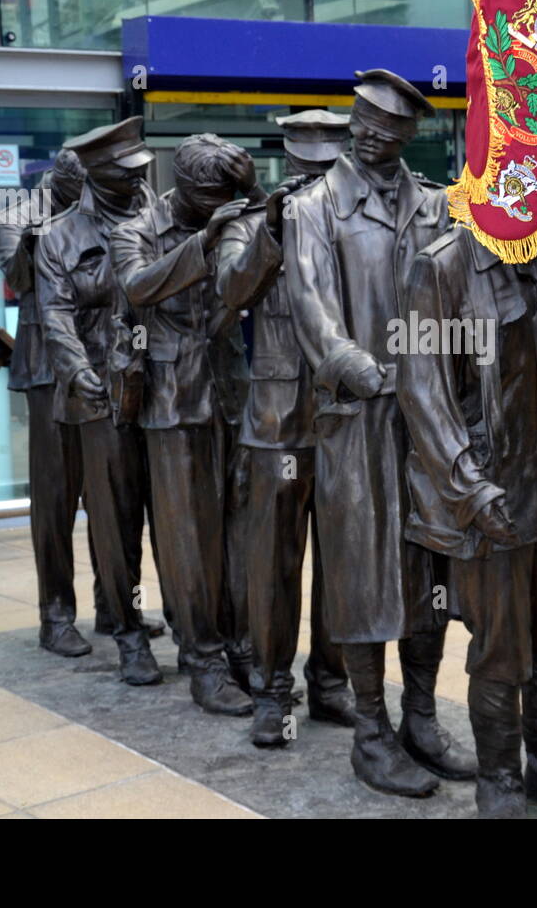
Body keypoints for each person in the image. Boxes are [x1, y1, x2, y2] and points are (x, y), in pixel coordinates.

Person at [284, 69, 476, 797]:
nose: (374, 134)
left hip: (429, 424)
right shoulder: (313, 208)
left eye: (391, 126)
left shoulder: (436, 205)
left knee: (430, 572)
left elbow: (459, 297)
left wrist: (453, 379)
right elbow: (311, 306)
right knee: (365, 576)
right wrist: (357, 368)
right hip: (356, 422)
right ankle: (370, 731)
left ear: (407, 135)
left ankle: (420, 718)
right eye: (365, 121)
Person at [397, 225, 537, 817]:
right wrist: (468, 488)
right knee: (500, 650)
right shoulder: (441, 266)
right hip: (491, 492)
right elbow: (423, 390)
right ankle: (499, 777)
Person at [214, 111, 357, 747]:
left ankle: (331, 683)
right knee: (271, 567)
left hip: (347, 418)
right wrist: (271, 232)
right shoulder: (249, 223)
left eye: (326, 169)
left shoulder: (359, 224)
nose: (315, 180)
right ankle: (273, 691)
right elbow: (228, 290)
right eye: (306, 169)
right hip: (275, 422)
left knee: (343, 563)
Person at [109, 134, 263, 715]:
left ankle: (244, 650)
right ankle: (202, 661)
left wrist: (254, 193)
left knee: (242, 535)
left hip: (231, 392)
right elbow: (137, 286)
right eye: (213, 196)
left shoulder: (234, 211)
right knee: (188, 541)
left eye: (227, 195)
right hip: (172, 402)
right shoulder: (139, 230)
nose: (220, 203)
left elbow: (284, 242)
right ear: (190, 191)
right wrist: (207, 239)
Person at [35, 117, 166, 689]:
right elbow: (55, 316)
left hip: (165, 384)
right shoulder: (59, 235)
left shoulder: (158, 216)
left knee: (174, 514)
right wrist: (77, 372)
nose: (138, 180)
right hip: (99, 393)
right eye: (125, 172)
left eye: (140, 169)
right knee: (114, 518)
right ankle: (127, 632)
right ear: (95, 174)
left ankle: (195, 628)